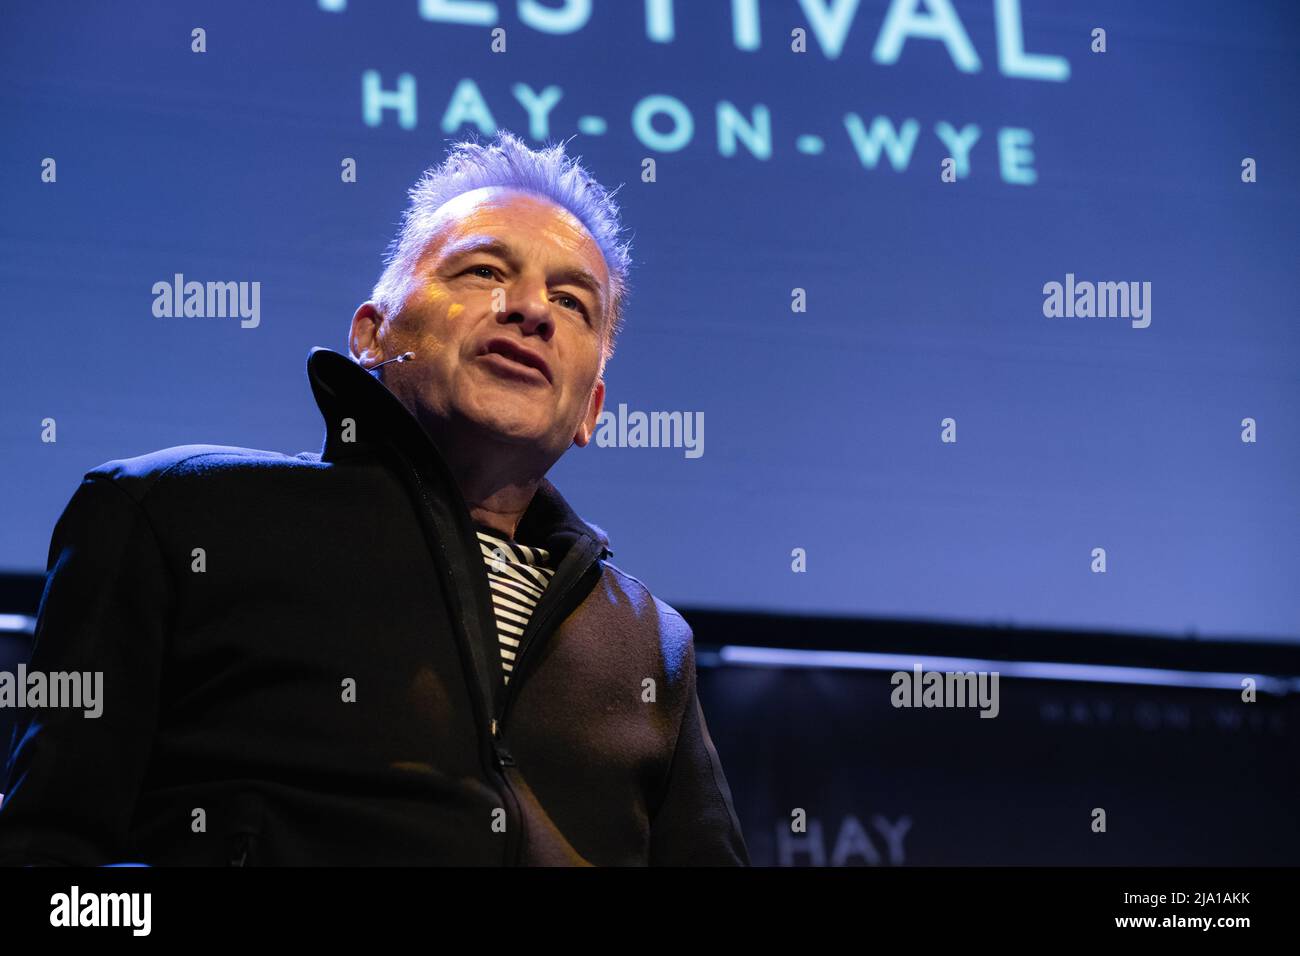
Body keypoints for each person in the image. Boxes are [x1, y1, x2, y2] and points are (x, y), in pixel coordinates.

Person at [0, 130, 750, 866]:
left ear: (591, 410)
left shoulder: (653, 643)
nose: (532, 310)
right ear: (371, 334)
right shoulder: (171, 514)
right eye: (484, 270)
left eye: (573, 301)